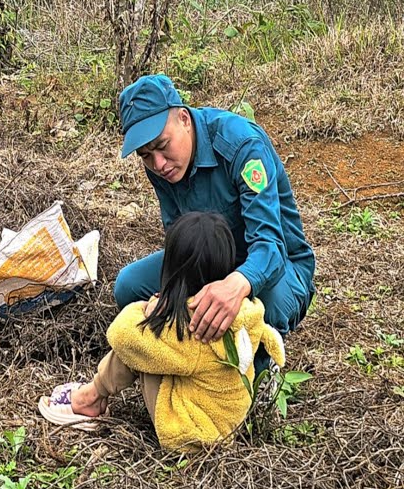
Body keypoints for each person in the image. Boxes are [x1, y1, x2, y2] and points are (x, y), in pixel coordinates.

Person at [38, 212, 287, 449]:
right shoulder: (245, 308)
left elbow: (123, 335)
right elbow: (270, 338)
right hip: (226, 421)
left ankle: (89, 399)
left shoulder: (195, 326)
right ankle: (91, 396)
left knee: (141, 344)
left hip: (192, 433)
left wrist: (150, 309)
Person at [113, 74, 314, 368]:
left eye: (162, 145)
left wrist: (235, 285)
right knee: (129, 287)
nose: (158, 164)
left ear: (183, 118)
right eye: (145, 155)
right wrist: (171, 294)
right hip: (210, 261)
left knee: (258, 311)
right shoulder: (162, 167)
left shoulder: (242, 146)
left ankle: (259, 368)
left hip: (279, 265)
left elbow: (270, 245)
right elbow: (179, 237)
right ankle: (187, 361)